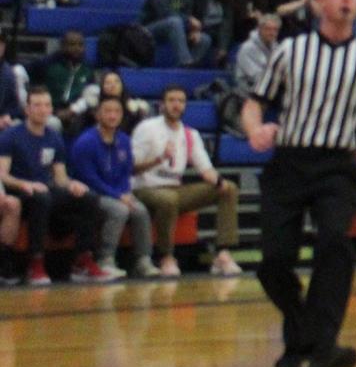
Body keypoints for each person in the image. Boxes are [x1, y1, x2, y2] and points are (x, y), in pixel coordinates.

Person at [239, 0, 356, 367]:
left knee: (335, 244)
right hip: (290, 160)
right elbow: (254, 103)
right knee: (273, 261)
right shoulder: (290, 51)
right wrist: (255, 130)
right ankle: (302, 331)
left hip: (338, 166)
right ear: (319, 1)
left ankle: (323, 347)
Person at [1, 87, 109, 284]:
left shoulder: (54, 137)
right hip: (20, 190)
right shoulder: (11, 136)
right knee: (41, 198)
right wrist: (25, 184)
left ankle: (82, 259)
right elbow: (3, 175)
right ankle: (35, 263)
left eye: (47, 105)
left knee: (88, 198)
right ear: (27, 109)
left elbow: (60, 178)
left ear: (51, 109)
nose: (43, 110)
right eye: (37, 105)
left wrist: (72, 184)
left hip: (46, 189)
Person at [132, 86, 244, 277]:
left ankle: (222, 253)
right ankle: (166, 257)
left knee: (229, 188)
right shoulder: (147, 128)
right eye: (171, 100)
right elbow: (131, 167)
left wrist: (219, 182)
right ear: (162, 105)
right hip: (145, 189)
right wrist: (158, 159)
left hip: (175, 190)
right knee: (168, 199)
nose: (176, 105)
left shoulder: (190, 134)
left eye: (181, 101)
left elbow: (205, 169)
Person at [67, 95, 155, 278]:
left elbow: (126, 172)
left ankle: (143, 260)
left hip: (118, 191)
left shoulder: (124, 140)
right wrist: (117, 195)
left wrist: (125, 193)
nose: (112, 115)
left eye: (117, 111)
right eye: (107, 111)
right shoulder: (86, 142)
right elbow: (89, 178)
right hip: (92, 193)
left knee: (139, 210)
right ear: (97, 115)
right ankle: (105, 259)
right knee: (119, 210)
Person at [140, 0, 212, 68]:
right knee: (175, 21)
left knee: (204, 39)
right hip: (149, 29)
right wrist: (188, 20)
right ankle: (185, 61)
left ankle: (186, 68)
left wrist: (193, 31)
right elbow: (165, 13)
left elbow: (187, 15)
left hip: (176, 29)